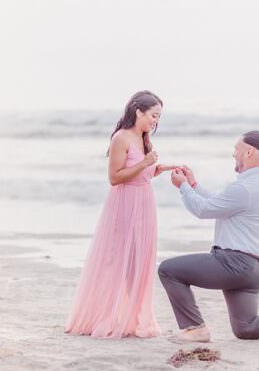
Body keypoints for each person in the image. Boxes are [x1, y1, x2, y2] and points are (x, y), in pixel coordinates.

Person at [159, 131, 259, 345]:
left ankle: (194, 329)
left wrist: (183, 187)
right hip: (256, 269)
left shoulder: (245, 187)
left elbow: (204, 210)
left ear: (249, 152)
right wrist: (194, 185)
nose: (234, 154)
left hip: (233, 264)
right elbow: (220, 203)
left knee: (168, 270)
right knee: (245, 328)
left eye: (236, 149)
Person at [65, 91, 178, 338]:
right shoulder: (121, 138)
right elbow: (115, 178)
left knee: (141, 260)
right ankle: (114, 316)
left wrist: (158, 168)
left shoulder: (144, 138)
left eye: (159, 117)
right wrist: (145, 163)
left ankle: (135, 317)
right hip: (125, 204)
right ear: (139, 111)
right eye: (154, 115)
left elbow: (140, 174)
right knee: (121, 260)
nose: (156, 121)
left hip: (145, 203)